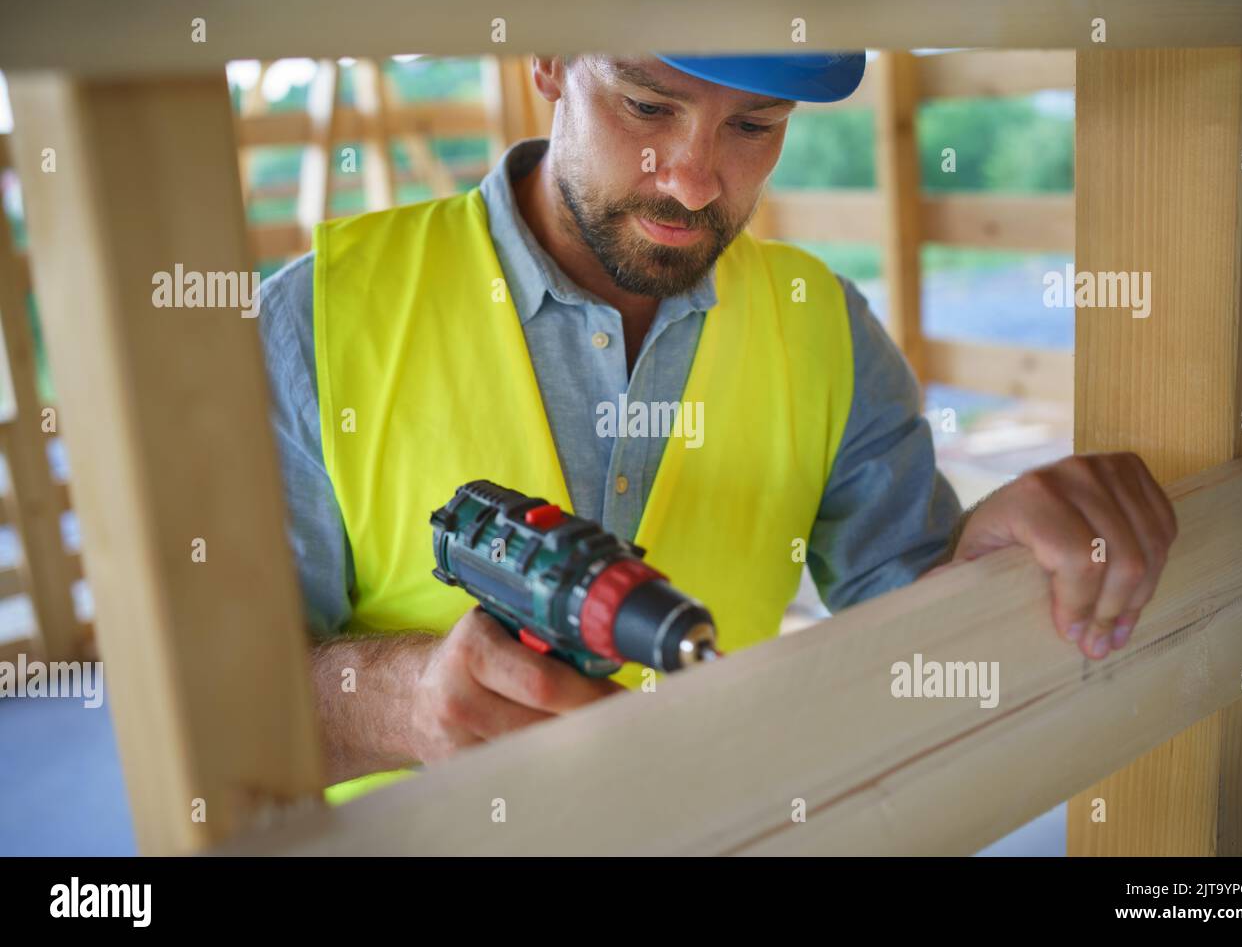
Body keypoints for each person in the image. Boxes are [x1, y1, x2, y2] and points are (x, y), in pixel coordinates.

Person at [256, 53, 1177, 796]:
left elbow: (912, 626)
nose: (693, 182)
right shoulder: (315, 325)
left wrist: (995, 563)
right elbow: (221, 710)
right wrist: (404, 704)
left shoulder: (824, 325)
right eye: (647, 106)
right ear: (546, 56)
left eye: (754, 124)